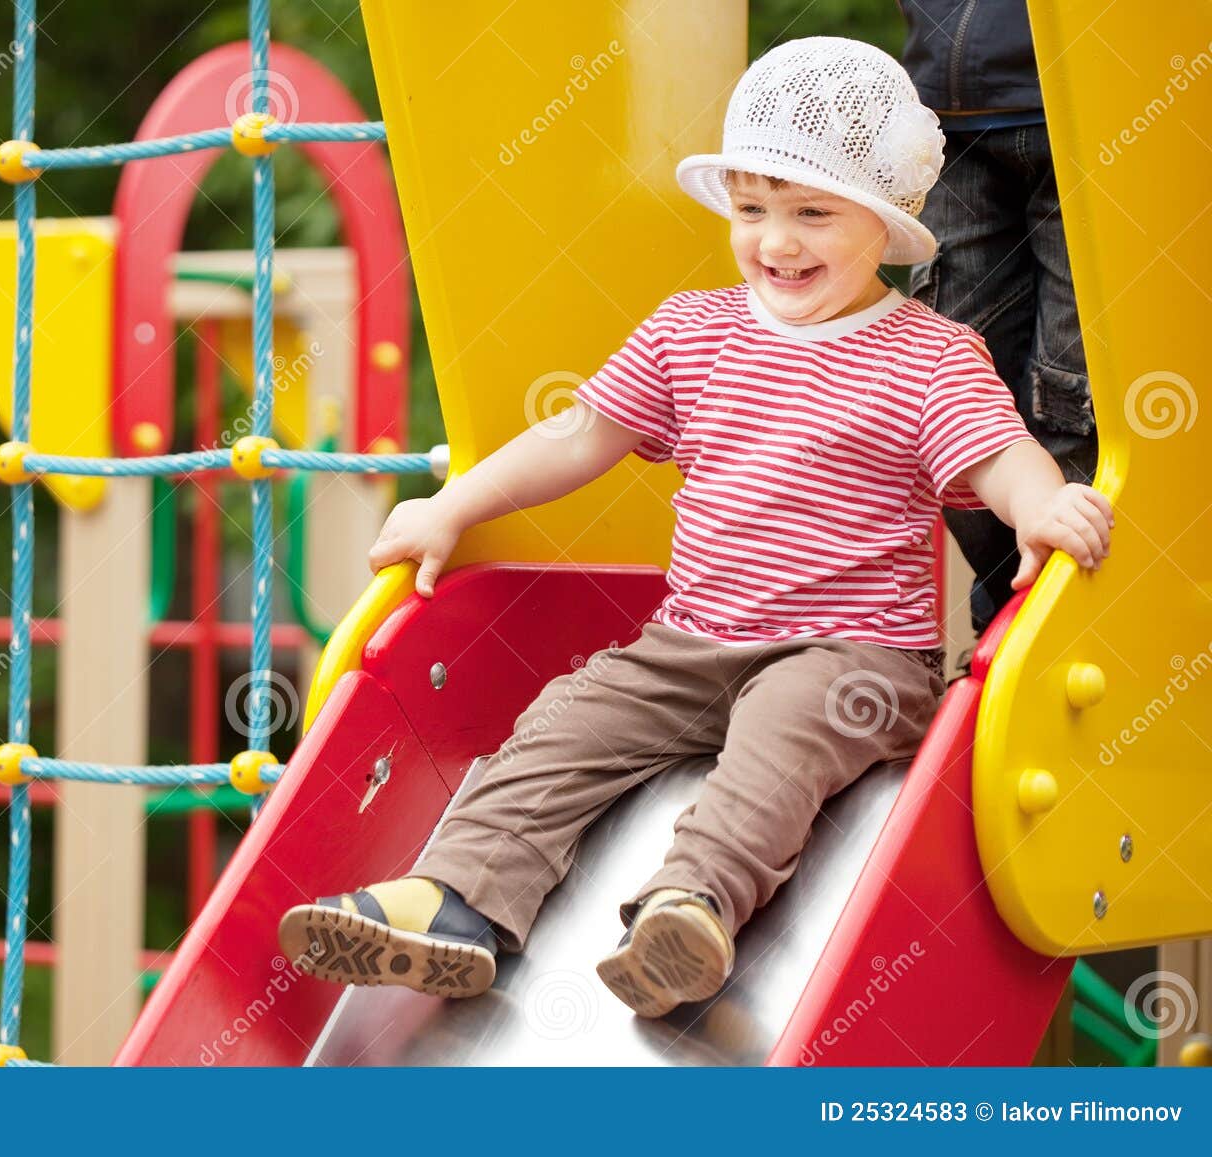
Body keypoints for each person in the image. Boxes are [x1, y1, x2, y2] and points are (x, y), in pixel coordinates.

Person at [277, 37, 1113, 1019]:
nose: (777, 242)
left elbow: (992, 451)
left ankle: (688, 908)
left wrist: (1038, 501)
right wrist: (452, 505)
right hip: (691, 638)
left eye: (813, 214)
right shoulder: (692, 330)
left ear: (884, 226)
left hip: (854, 659)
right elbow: (579, 434)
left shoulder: (929, 354)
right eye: (753, 211)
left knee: (782, 731)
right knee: (567, 720)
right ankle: (453, 900)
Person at [900, 0, 1098, 635]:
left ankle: (1067, 623)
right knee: (946, 397)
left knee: (1071, 387)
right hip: (950, 113)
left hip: (1092, 97)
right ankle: (1007, 612)